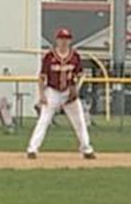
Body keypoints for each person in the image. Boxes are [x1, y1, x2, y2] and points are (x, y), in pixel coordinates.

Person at [26, 27, 95, 160]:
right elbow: (42, 77)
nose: (64, 41)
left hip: (69, 91)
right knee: (44, 120)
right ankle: (32, 149)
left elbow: (81, 74)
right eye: (61, 38)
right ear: (57, 40)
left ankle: (86, 149)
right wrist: (42, 95)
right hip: (53, 91)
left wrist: (76, 90)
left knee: (79, 121)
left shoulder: (75, 56)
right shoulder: (50, 56)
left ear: (70, 41)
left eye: (66, 39)